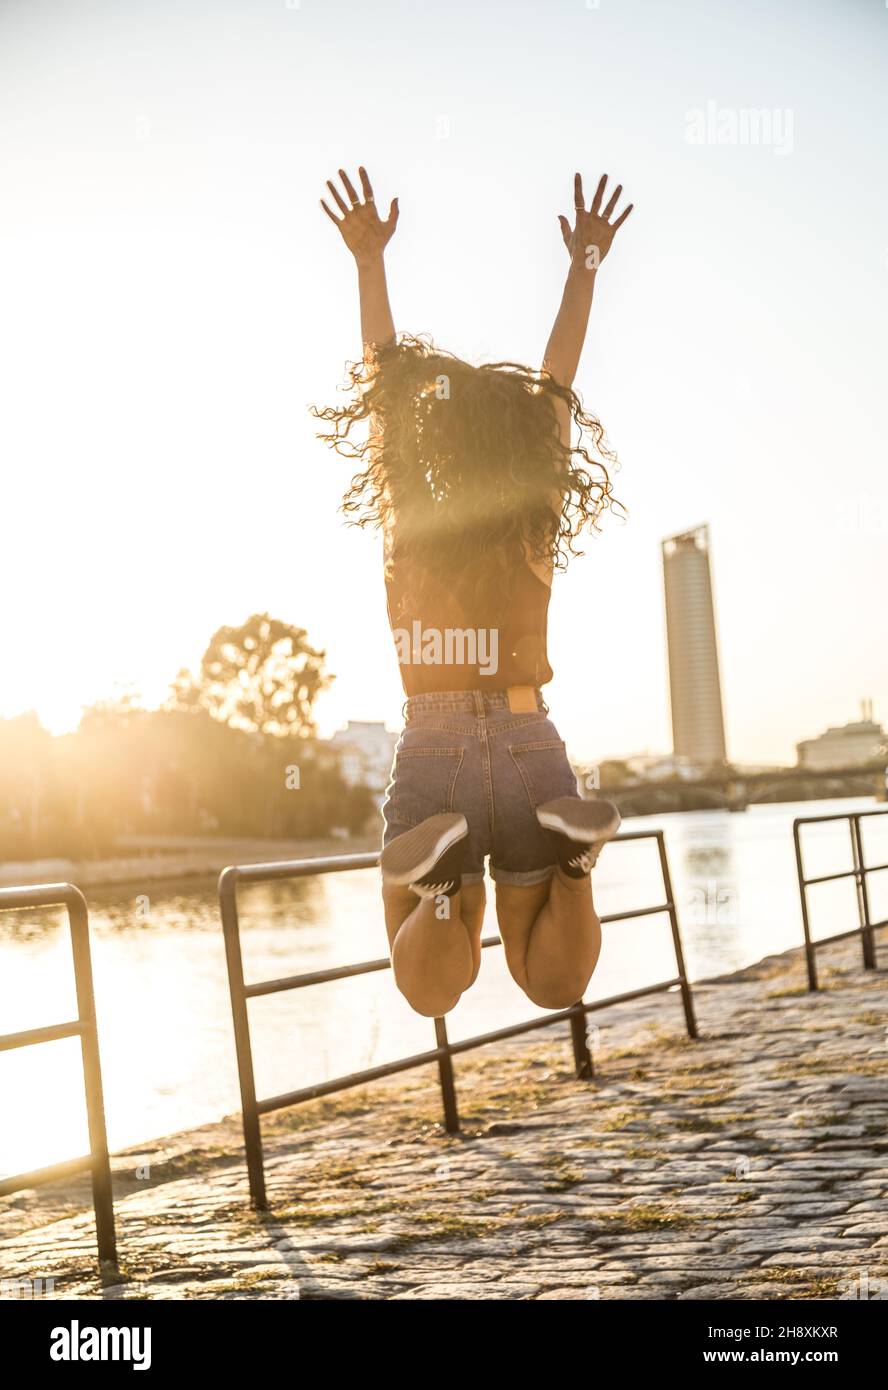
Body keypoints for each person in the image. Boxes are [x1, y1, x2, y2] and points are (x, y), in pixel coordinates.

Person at [316, 165, 632, 1019]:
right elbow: (556, 381)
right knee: (555, 984)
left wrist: (368, 263)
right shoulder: (531, 518)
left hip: (434, 743)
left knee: (432, 988)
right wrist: (584, 264)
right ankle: (571, 863)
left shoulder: (406, 519)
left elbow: (384, 377)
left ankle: (440, 891)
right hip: (532, 741)